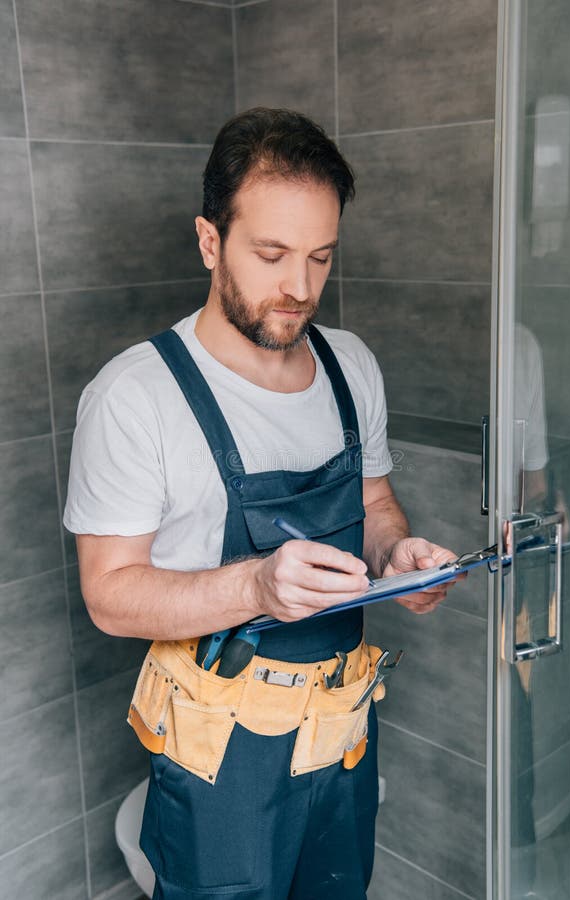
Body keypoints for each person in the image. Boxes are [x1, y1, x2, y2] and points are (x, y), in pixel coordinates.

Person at [63, 107, 459, 900]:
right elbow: (109, 594)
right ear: (210, 241)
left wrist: (397, 556)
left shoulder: (350, 365)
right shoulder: (135, 396)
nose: (300, 288)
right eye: (272, 254)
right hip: (217, 752)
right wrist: (255, 587)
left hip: (341, 728)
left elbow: (375, 502)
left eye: (320, 257)